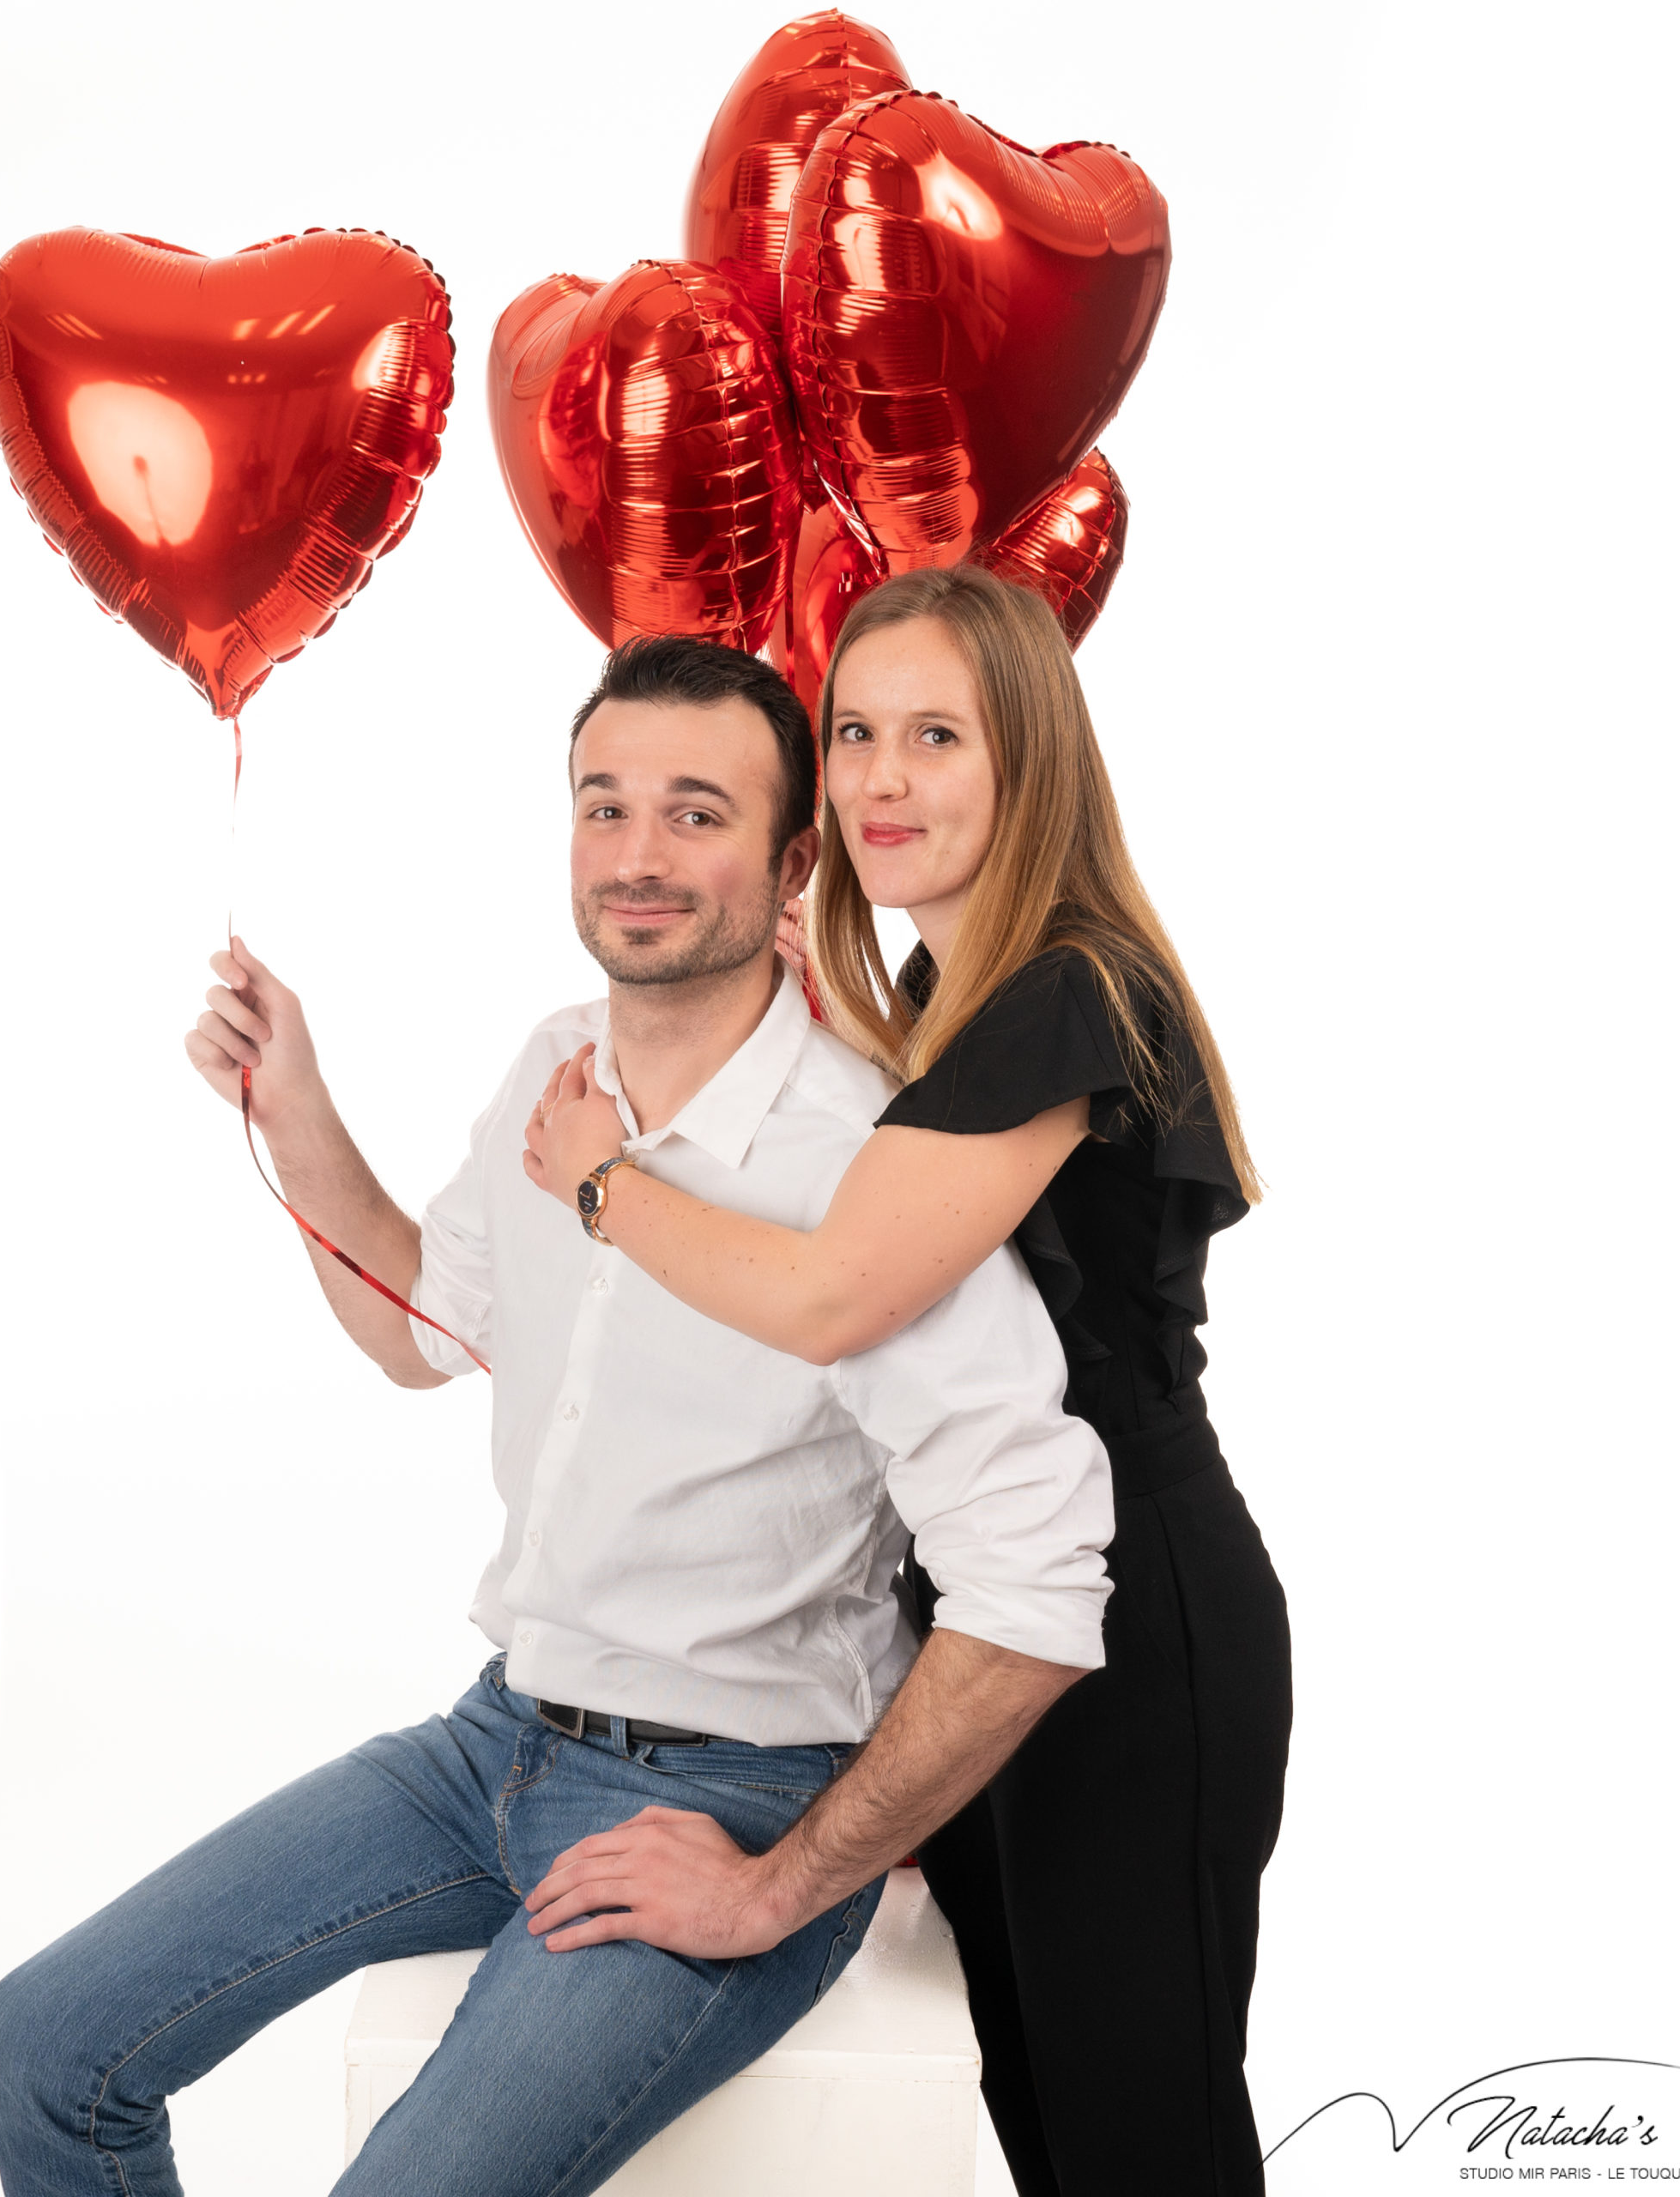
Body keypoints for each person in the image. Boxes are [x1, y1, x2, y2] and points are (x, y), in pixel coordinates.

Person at [0, 635, 1115, 2197]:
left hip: (734, 1787)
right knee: (47, 2048)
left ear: (795, 863)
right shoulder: (553, 1071)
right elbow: (417, 1329)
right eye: (604, 806)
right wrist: (290, 1105)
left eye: (696, 814)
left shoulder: (864, 1158)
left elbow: (1041, 1583)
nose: (637, 859)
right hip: (493, 1740)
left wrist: (781, 1888)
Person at [522, 568, 1293, 2197]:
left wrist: (606, 1184)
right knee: (1045, 2119)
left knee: (1138, 2140)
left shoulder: (1063, 992)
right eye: (854, 732)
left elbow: (830, 1296)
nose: (878, 778)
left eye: (934, 735)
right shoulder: (958, 998)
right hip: (987, 1614)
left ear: (1031, 758)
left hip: (1123, 1619)